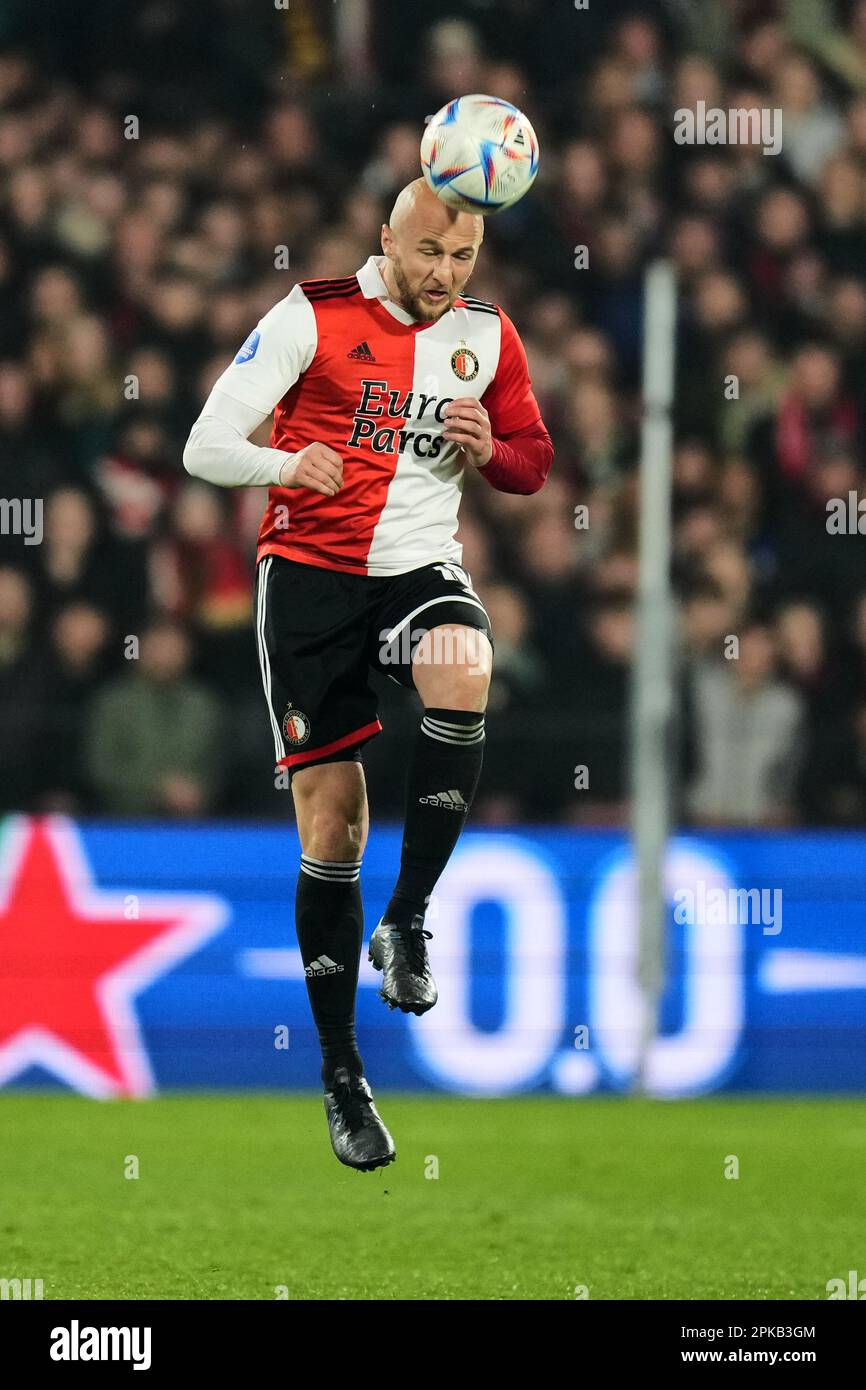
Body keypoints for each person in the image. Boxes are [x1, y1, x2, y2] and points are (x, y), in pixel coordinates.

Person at [183, 178, 553, 1170]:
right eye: (428, 252)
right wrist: (281, 464)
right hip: (307, 588)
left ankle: (409, 920)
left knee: (463, 664)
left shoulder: (487, 336)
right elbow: (205, 444)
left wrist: (494, 449)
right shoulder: (310, 314)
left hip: (415, 573)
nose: (443, 275)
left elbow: (532, 460)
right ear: (386, 236)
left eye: (462, 257)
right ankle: (342, 1074)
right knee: (333, 823)